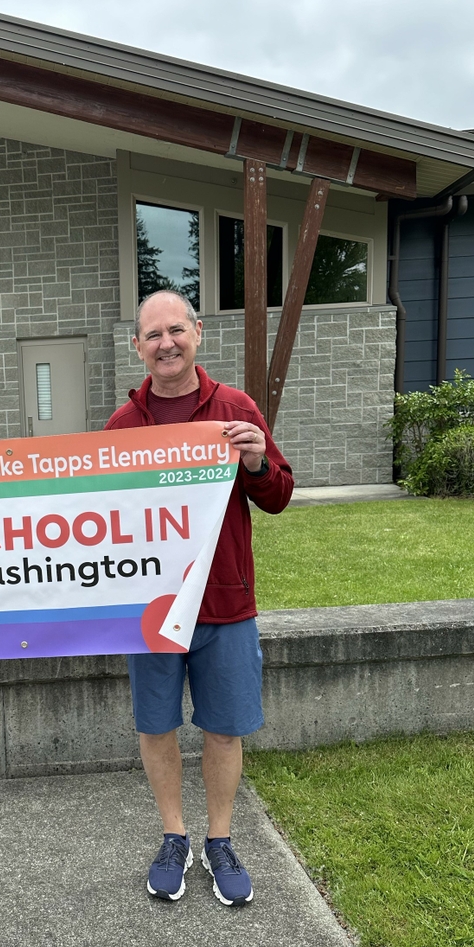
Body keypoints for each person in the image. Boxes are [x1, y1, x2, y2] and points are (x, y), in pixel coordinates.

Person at [106, 290, 293, 905]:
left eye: (176, 330)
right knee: (156, 727)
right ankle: (174, 836)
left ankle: (219, 840)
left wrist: (259, 462)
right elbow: (97, 519)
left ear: (198, 334)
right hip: (151, 610)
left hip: (225, 604)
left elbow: (278, 495)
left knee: (224, 728)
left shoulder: (234, 409)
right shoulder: (122, 428)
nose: (167, 343)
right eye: (153, 334)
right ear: (137, 346)